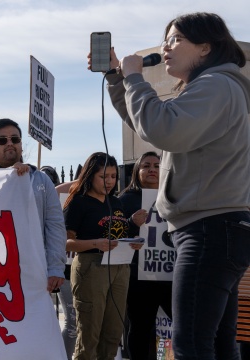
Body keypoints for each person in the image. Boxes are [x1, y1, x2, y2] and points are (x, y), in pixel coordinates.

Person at [103, 12, 250, 359]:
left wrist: (136, 77)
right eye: (166, 39)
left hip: (208, 230)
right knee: (215, 343)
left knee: (193, 345)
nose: (166, 47)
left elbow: (161, 128)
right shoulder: (214, 87)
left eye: (176, 39)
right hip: (218, 229)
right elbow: (148, 123)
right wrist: (117, 79)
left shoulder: (215, 85)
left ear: (205, 47)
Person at [0, 118, 67, 295]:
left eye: (15, 139)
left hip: (32, 269)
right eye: (2, 140)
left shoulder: (40, 180)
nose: (9, 144)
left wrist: (55, 268)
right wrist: (9, 176)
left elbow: (55, 226)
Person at [63, 152, 143, 360]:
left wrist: (131, 242)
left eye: (113, 176)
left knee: (113, 334)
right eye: (103, 176)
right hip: (91, 267)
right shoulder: (78, 202)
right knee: (89, 335)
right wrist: (95, 244)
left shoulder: (116, 203)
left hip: (119, 268)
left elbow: (120, 235)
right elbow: (65, 243)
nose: (109, 181)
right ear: (90, 175)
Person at [119, 151, 172, 360]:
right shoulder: (125, 200)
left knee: (173, 326)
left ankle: (166, 357)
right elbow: (114, 235)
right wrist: (131, 224)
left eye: (157, 166)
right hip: (139, 277)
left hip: (171, 275)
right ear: (136, 171)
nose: (152, 169)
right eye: (146, 166)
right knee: (140, 328)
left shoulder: (175, 196)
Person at [41, 165, 76, 359]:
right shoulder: (38, 200)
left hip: (66, 268)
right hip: (41, 269)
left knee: (73, 322)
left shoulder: (67, 200)